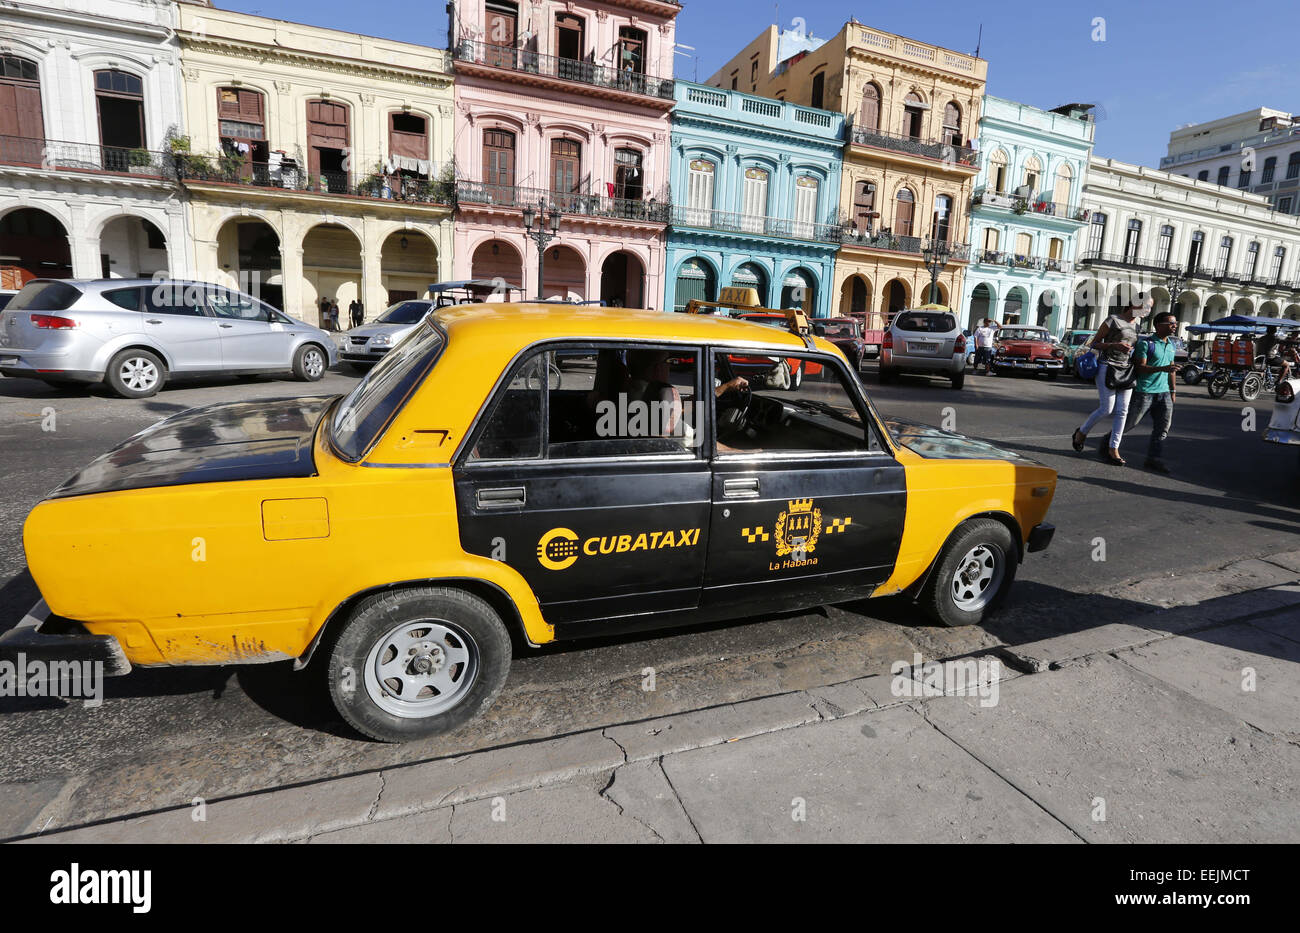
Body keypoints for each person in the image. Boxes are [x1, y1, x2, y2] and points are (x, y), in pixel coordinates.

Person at [1072, 294, 1148, 465]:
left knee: (1123, 411)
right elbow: (1094, 343)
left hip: (1126, 369)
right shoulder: (1113, 320)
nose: (1148, 311)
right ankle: (1081, 433)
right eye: (1146, 307)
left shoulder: (1137, 325)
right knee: (1107, 408)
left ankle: (1113, 448)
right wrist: (1115, 345)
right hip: (1107, 366)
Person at [1124, 310, 1180, 474]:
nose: (1174, 326)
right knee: (1129, 424)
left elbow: (1172, 369)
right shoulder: (1146, 344)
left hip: (1164, 393)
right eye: (1171, 323)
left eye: (1175, 323)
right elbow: (1140, 368)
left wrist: (1173, 390)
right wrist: (1163, 368)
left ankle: (1153, 459)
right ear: (1158, 325)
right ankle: (1109, 443)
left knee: (1163, 428)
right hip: (1144, 392)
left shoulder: (1171, 344)